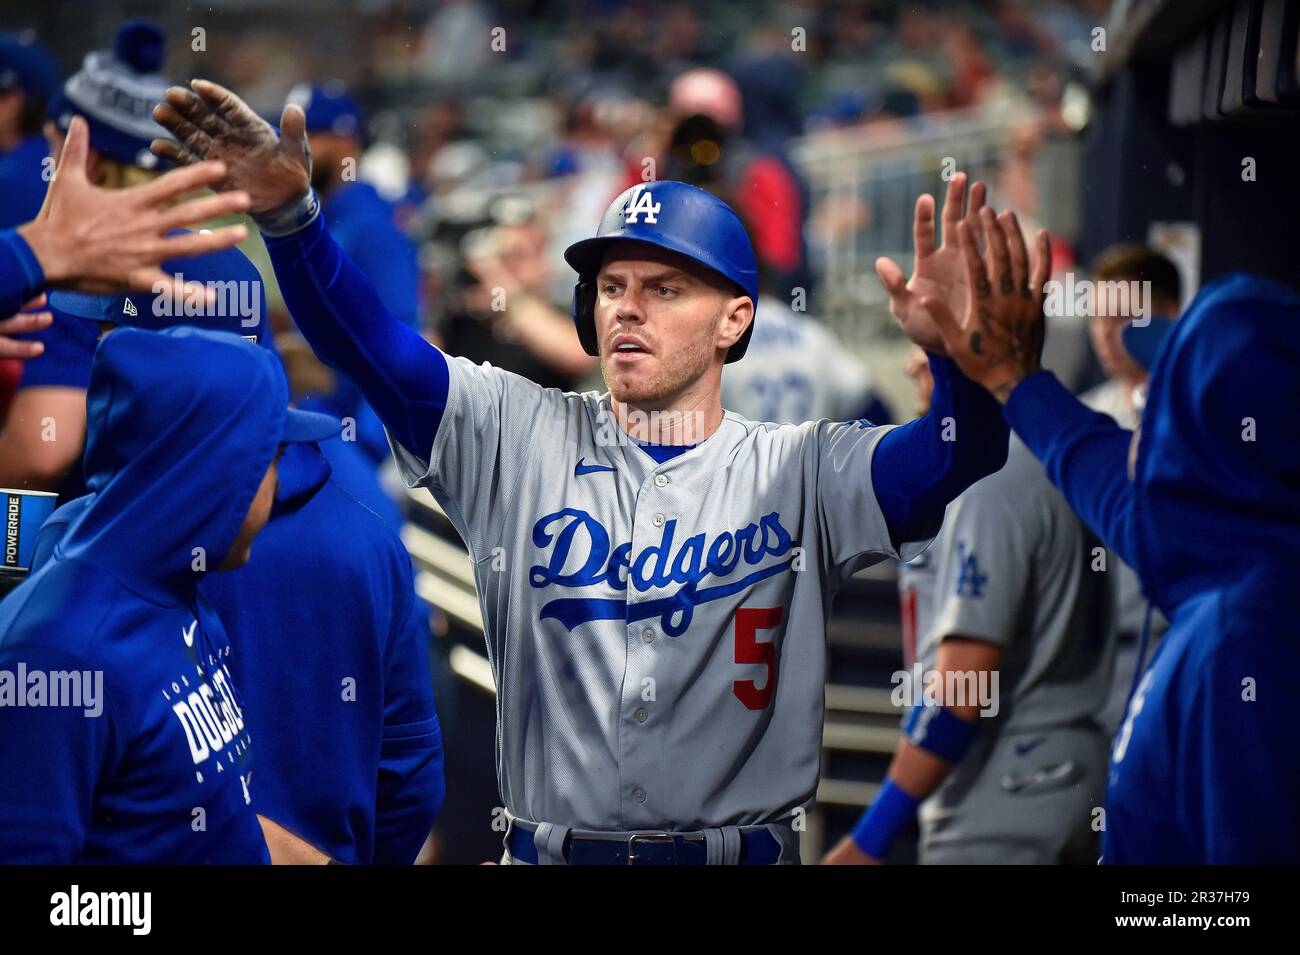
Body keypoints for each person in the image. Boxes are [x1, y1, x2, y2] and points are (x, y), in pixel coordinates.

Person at [152, 80, 1036, 865]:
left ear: (734, 320)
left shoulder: (800, 465)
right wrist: (293, 224)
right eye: (613, 286)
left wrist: (966, 362)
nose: (629, 309)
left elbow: (955, 455)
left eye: (665, 288)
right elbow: (373, 346)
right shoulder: (515, 431)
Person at [920, 213, 1300, 862]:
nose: (1145, 432)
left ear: (1212, 444)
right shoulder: (1225, 546)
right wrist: (1013, 376)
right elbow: (1091, 459)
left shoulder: (1245, 640)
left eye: (1171, 401)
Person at [0, 326, 338, 863]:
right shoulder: (56, 657)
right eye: (271, 458)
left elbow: (220, 817)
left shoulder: (180, 592)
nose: (280, 484)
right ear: (214, 474)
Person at [823, 346, 1113, 864]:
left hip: (1009, 784)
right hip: (1060, 769)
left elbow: (962, 691)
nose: (911, 365)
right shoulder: (1047, 448)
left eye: (926, 349)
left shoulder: (991, 481)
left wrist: (866, 842)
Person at [0, 21, 248, 494]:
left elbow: (41, 451)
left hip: (109, 537)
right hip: (228, 522)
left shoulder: (82, 268)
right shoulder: (232, 264)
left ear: (82, 157)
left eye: (53, 146)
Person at [1078, 243, 1179, 733]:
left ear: (1168, 316)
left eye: (1121, 317)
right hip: (1091, 657)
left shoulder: (1197, 417)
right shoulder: (1082, 418)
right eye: (1097, 317)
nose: (1104, 333)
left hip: (1173, 642)